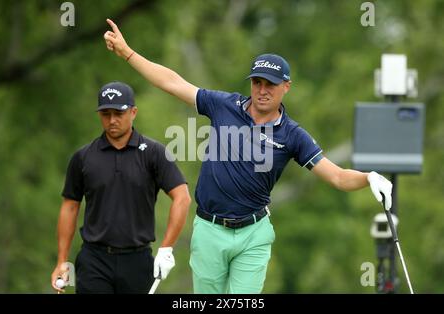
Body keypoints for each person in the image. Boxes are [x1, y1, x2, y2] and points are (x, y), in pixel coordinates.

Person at [103, 19, 393, 294]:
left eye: (270, 84)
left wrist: (368, 177)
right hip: (208, 230)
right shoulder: (223, 105)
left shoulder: (292, 134)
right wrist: (128, 53)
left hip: (253, 235)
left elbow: (338, 177)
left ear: (286, 86)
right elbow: (172, 82)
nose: (262, 90)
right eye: (257, 83)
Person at [51, 81, 191, 294]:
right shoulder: (83, 157)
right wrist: (62, 261)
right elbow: (70, 207)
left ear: (133, 112)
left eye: (118, 113)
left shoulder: (154, 153)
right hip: (94, 260)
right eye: (105, 114)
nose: (112, 120)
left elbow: (182, 197)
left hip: (137, 260)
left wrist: (166, 248)